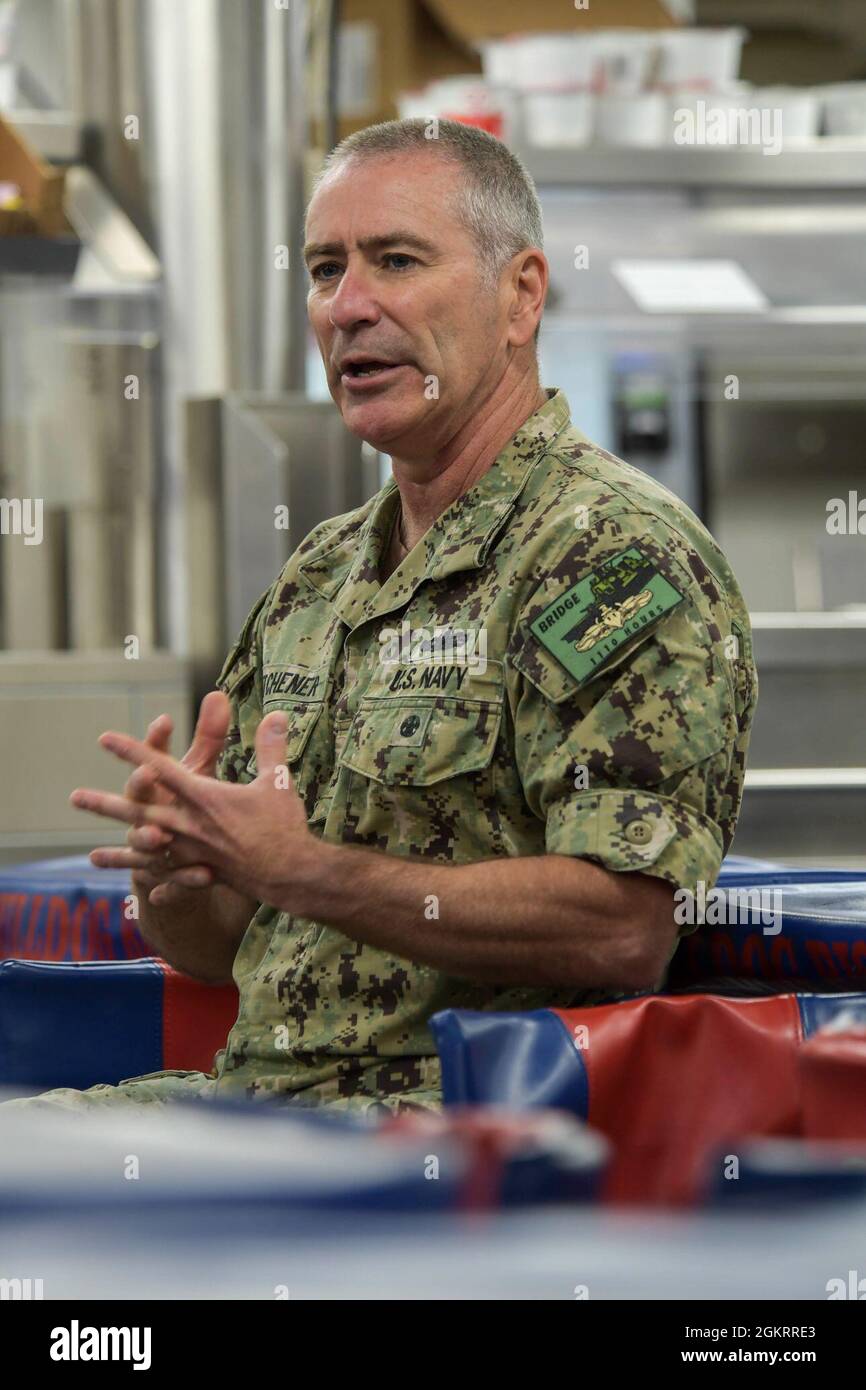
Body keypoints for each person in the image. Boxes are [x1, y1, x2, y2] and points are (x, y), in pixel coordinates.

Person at [4, 119, 757, 1116]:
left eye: (396, 260)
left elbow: (622, 924)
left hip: (452, 1137)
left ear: (519, 295)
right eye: (325, 270)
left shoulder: (608, 557)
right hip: (254, 1105)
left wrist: (308, 871)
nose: (348, 307)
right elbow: (222, 945)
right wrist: (184, 878)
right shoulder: (322, 572)